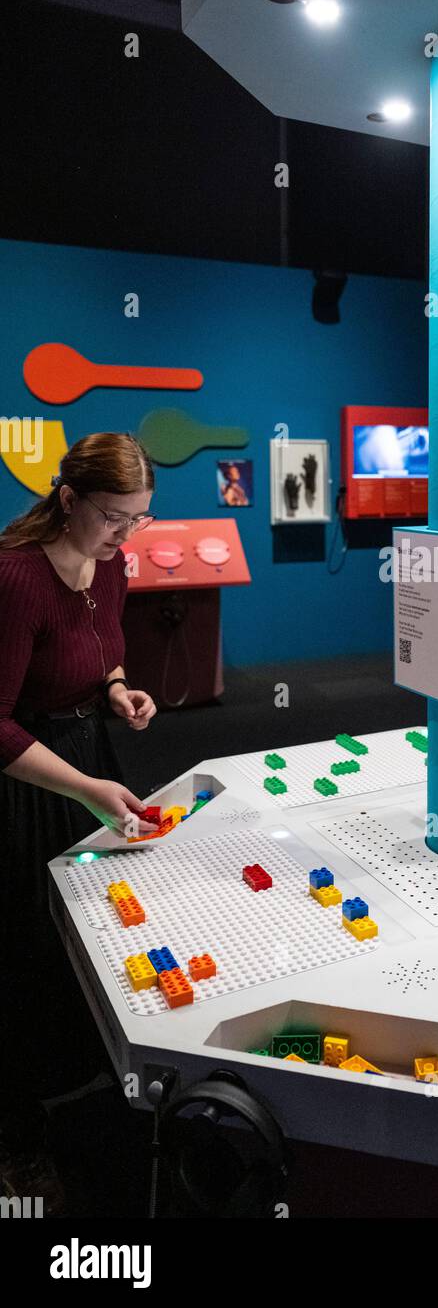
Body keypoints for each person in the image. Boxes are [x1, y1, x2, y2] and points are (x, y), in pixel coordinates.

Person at [0, 432, 159, 1213]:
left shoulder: (114, 563)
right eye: (112, 519)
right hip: (28, 780)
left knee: (98, 936)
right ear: (68, 501)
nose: (126, 538)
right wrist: (86, 787)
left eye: (138, 521)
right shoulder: (15, 579)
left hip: (87, 758)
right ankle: (18, 1142)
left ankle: (92, 1085)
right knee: (27, 951)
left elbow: (104, 655)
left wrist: (118, 690)